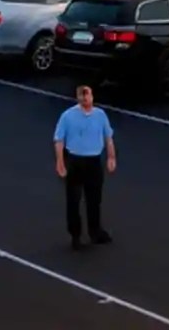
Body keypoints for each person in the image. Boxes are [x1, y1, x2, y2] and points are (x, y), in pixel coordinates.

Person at [53, 85, 116, 250]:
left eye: (88, 95)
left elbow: (108, 137)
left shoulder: (100, 115)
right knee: (73, 199)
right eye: (82, 96)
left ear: (92, 97)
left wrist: (111, 156)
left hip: (94, 161)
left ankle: (95, 231)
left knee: (94, 199)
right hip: (75, 161)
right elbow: (59, 140)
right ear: (78, 98)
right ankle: (75, 235)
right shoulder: (67, 116)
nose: (86, 99)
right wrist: (60, 162)